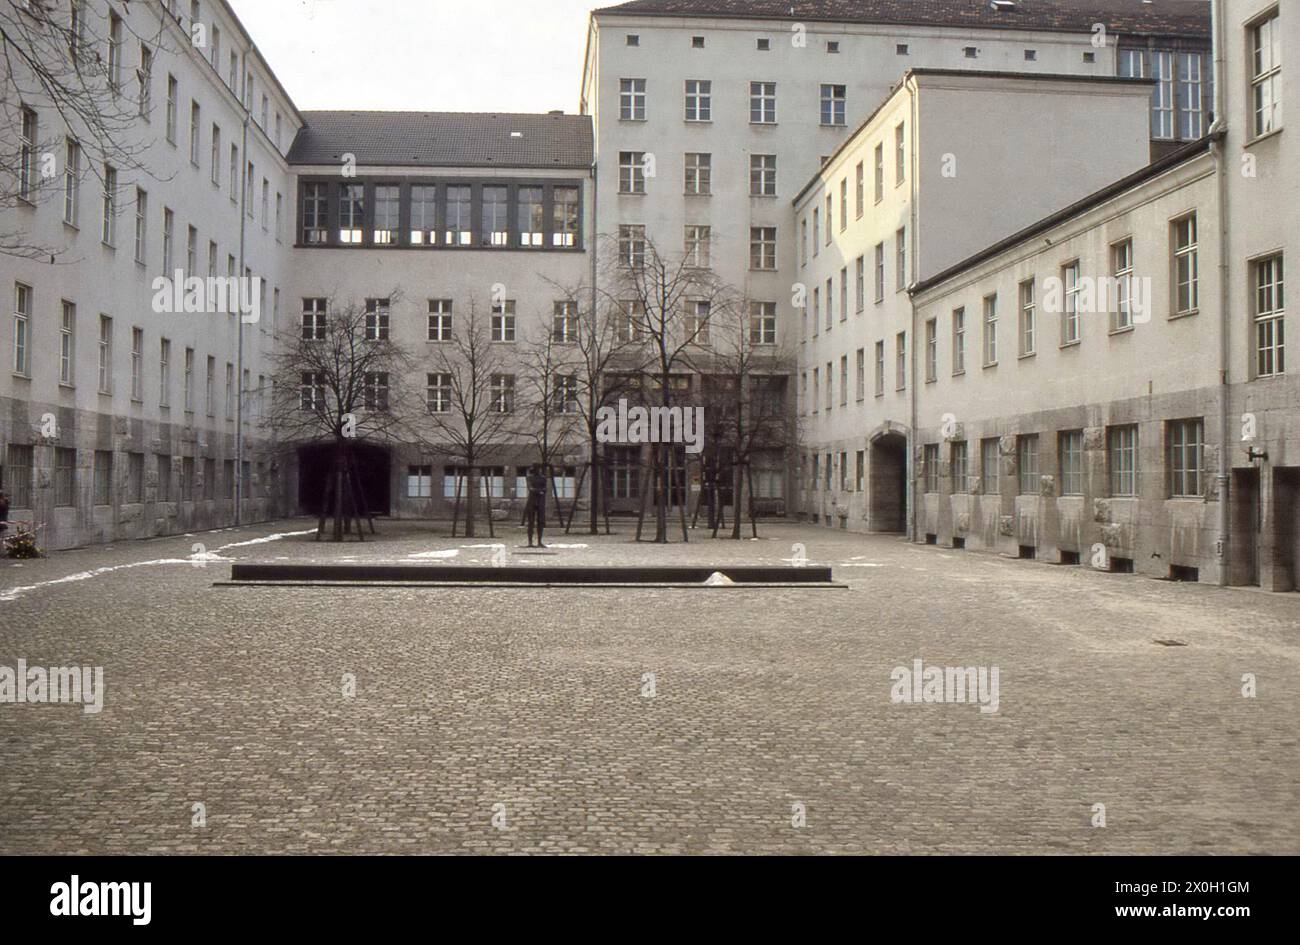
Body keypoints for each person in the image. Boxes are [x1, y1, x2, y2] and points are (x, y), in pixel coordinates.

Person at [524, 465, 548, 548]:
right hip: (532, 501)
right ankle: (530, 542)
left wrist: (540, 491)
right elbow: (530, 488)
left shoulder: (543, 478)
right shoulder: (529, 478)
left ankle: (539, 541)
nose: (538, 470)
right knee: (531, 521)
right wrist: (539, 491)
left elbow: (545, 488)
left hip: (540, 501)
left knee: (540, 522)